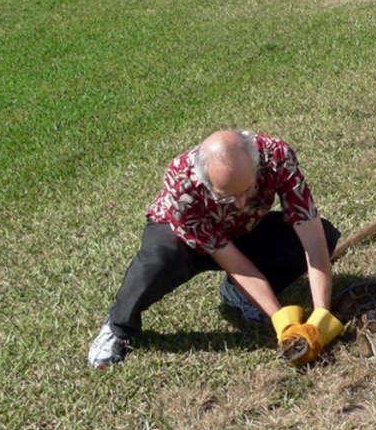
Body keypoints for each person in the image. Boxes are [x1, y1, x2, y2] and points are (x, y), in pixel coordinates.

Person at [87, 130, 345, 369]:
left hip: (245, 229)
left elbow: (312, 237)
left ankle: (238, 295)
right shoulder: (182, 185)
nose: (242, 202)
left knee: (325, 234)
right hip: (183, 238)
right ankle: (118, 327)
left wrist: (321, 313)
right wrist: (282, 321)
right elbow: (235, 263)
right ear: (204, 180)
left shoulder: (277, 157)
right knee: (157, 262)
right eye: (227, 197)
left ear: (256, 164)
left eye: (249, 189)